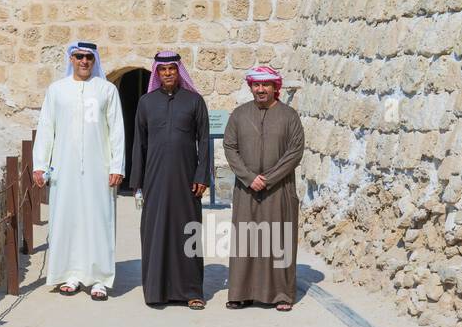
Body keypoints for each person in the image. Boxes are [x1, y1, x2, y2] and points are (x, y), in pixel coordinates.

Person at [31, 42, 125, 302]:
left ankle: (99, 279)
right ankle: (69, 274)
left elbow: (117, 130)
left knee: (98, 220)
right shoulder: (56, 91)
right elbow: (46, 126)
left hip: (99, 168)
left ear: (94, 60)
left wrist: (117, 166)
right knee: (67, 218)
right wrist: (40, 164)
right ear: (71, 59)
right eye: (79, 57)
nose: (84, 61)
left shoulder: (107, 90)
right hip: (65, 167)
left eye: (89, 57)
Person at [222, 65, 306, 312]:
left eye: (265, 85)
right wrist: (249, 177)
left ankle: (281, 295)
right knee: (246, 239)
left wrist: (268, 179)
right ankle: (241, 293)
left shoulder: (289, 116)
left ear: (275, 87)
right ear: (251, 87)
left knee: (278, 240)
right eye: (256, 85)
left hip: (279, 189)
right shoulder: (239, 115)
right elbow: (230, 147)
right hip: (246, 189)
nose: (260, 90)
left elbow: (295, 152)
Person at [133, 51, 212, 309]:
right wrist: (138, 183)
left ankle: (192, 291)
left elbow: (204, 140)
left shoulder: (194, 101)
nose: (167, 73)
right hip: (155, 180)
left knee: (188, 231)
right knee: (155, 232)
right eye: (163, 69)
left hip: (187, 179)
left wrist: (202, 175)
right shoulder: (146, 103)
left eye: (172, 69)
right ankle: (157, 291)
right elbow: (139, 145)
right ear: (157, 72)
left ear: (179, 71)